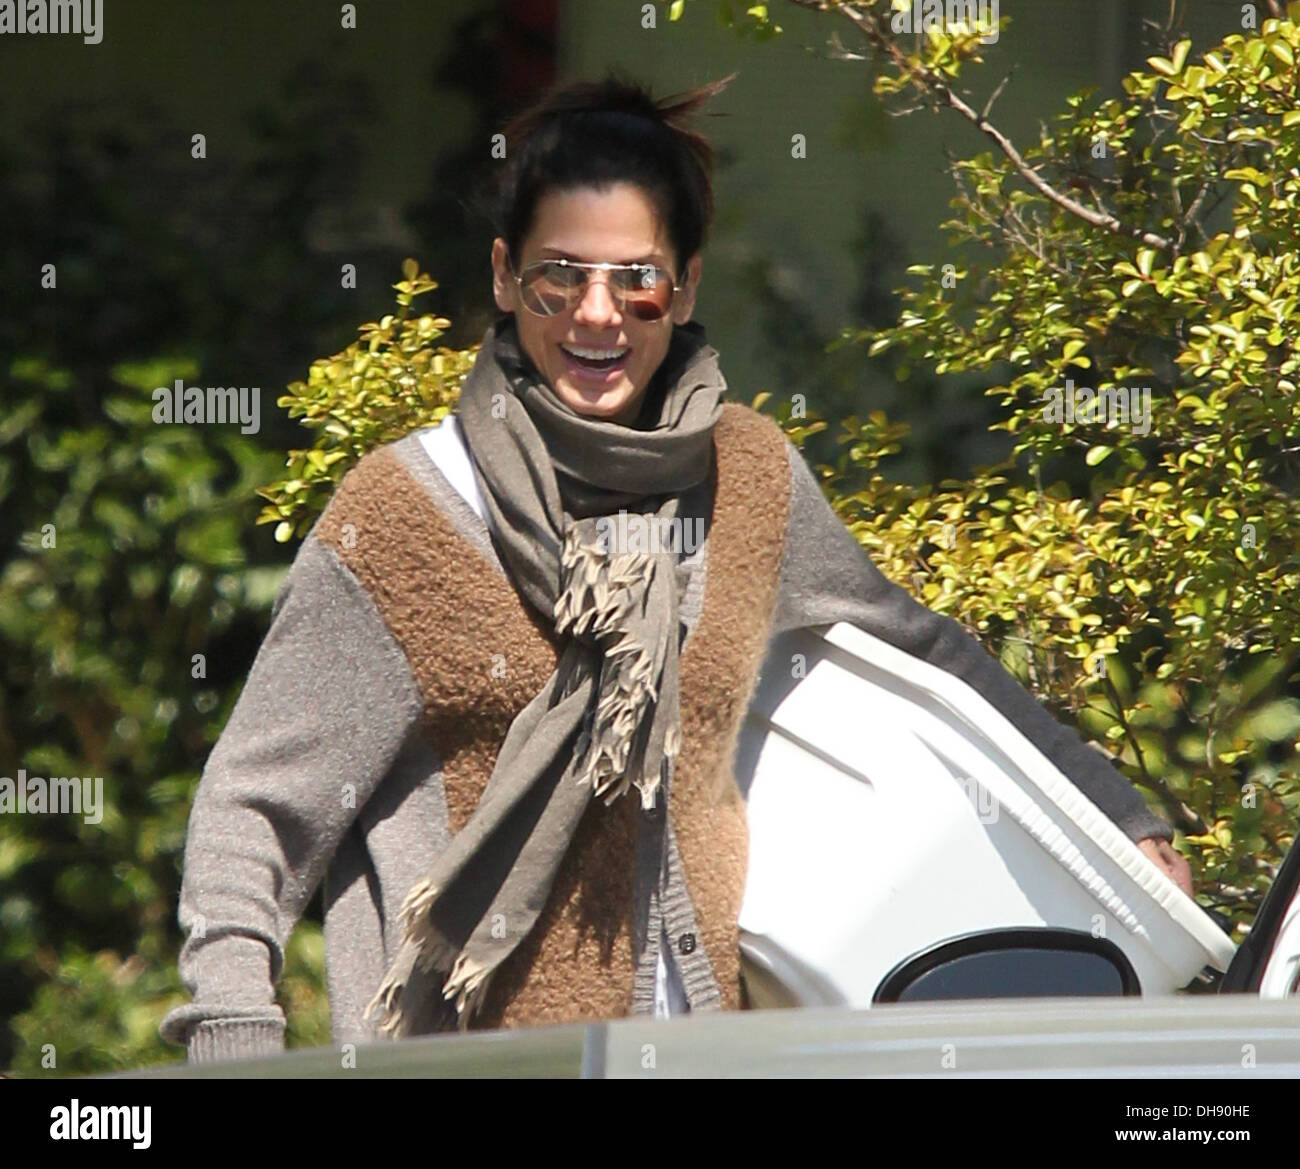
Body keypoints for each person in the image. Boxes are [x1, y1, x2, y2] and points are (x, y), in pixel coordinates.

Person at [159, 70, 1190, 1064]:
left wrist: (1120, 815)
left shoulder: (748, 480)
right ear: (504, 275)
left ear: (684, 284)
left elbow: (926, 650)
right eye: (559, 274)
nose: (595, 314)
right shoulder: (405, 513)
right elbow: (255, 808)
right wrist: (235, 1042)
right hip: (465, 1062)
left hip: (698, 1051)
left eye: (634, 278)